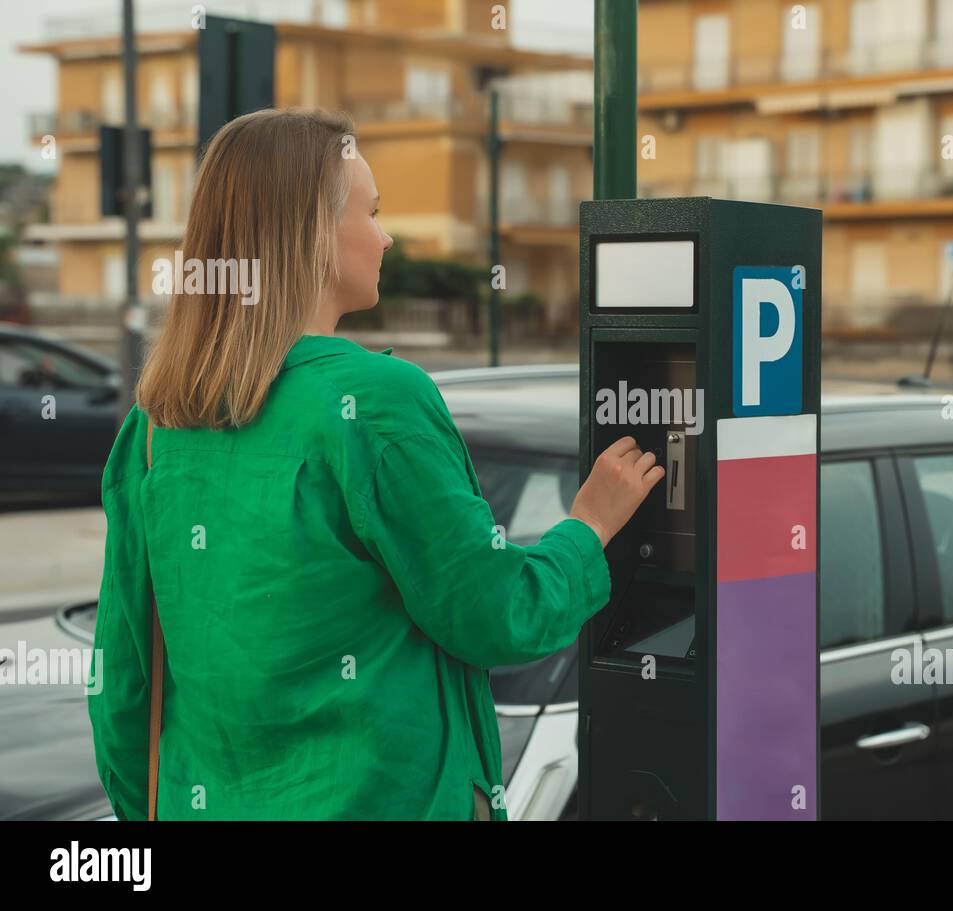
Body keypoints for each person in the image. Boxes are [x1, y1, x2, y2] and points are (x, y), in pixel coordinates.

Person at [88, 108, 663, 821]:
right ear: (313, 236)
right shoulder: (377, 401)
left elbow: (122, 682)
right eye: (373, 211)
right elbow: (493, 614)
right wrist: (588, 525)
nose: (386, 236)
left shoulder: (154, 426)